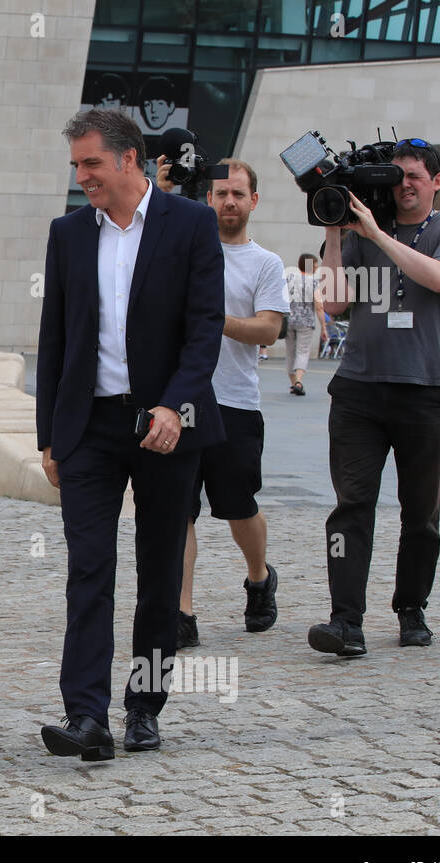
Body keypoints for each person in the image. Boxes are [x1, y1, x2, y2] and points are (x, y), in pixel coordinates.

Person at [36, 108, 225, 761]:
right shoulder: (67, 234)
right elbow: (54, 338)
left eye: (90, 162)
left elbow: (205, 331)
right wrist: (49, 435)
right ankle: (86, 714)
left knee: (158, 572)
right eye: (76, 164)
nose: (81, 174)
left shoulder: (192, 224)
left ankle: (143, 706)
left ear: (128, 159)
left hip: (168, 425)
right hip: (89, 426)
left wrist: (175, 405)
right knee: (89, 567)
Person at [309, 138, 440, 657]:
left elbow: (439, 277)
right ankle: (344, 620)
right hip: (359, 389)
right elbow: (333, 301)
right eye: (394, 176)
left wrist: (377, 234)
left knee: (420, 511)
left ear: (436, 182)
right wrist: (336, 229)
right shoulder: (359, 229)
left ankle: (410, 607)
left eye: (413, 177)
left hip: (423, 389)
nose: (402, 185)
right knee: (351, 505)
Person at [156, 156, 288, 648]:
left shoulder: (266, 263)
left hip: (235, 402)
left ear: (253, 201)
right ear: (207, 198)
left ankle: (259, 576)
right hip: (181, 399)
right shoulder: (186, 248)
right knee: (179, 510)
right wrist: (161, 188)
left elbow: (268, 329)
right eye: (220, 193)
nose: (228, 201)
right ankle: (182, 611)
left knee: (238, 506)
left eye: (238, 193)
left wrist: (214, 319)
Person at [284, 253, 327, 395]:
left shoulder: (289, 278)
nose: (317, 266)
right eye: (315, 263)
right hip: (306, 321)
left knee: (290, 352)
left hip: (289, 319)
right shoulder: (314, 282)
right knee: (302, 350)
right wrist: (324, 327)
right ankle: (298, 381)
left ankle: (292, 383)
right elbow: (319, 306)